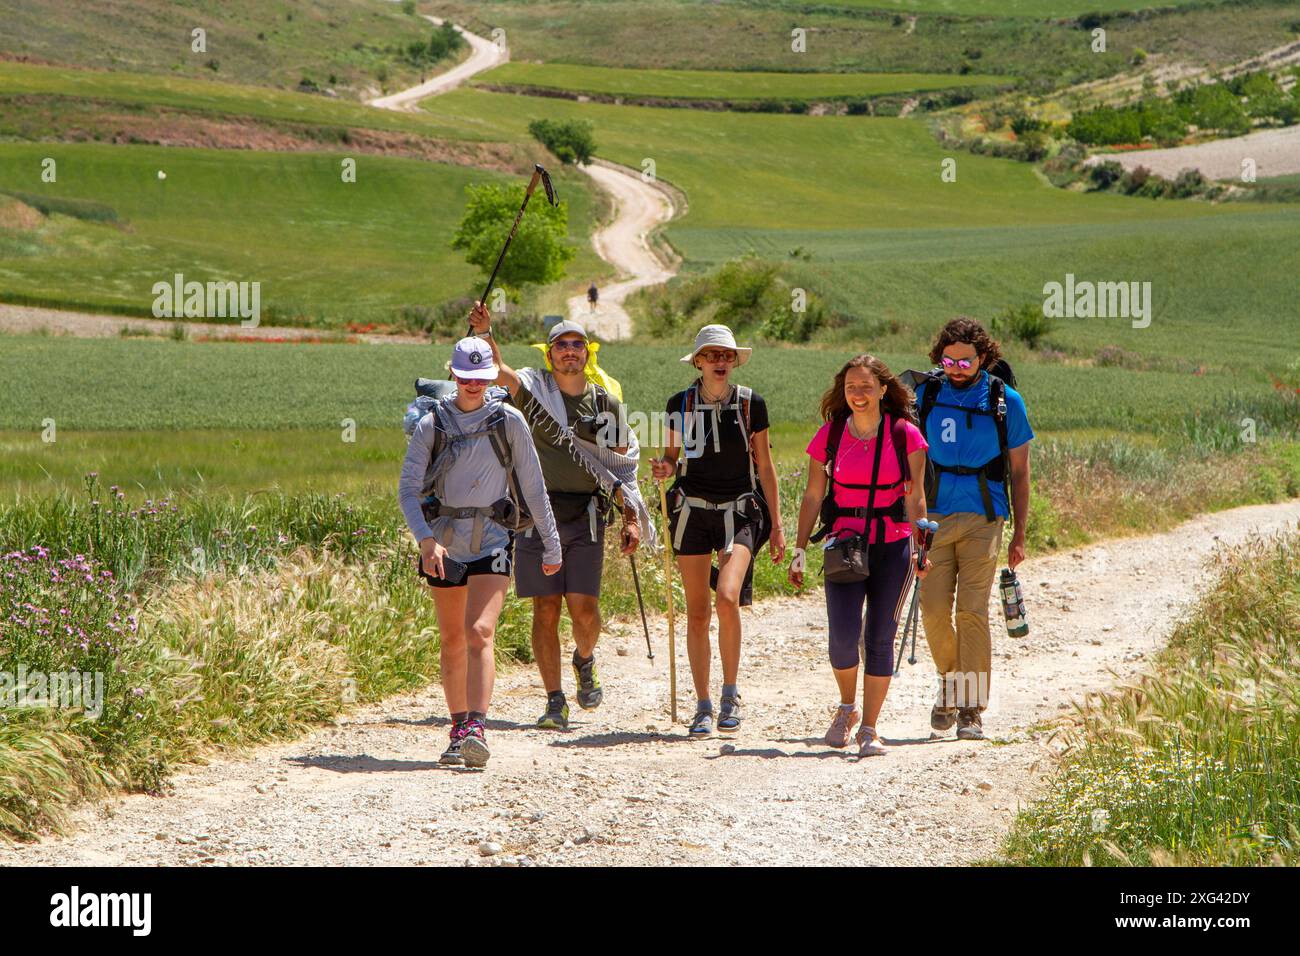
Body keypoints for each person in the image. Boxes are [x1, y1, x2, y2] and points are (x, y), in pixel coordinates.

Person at [468, 304, 649, 731]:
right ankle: (554, 700)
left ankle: (584, 659)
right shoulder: (533, 394)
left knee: (584, 611)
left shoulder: (605, 403)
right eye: (561, 346)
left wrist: (631, 518)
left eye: (577, 345)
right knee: (545, 608)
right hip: (536, 515)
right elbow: (497, 370)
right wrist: (485, 330)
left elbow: (620, 469)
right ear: (550, 355)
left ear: (587, 354)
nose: (570, 351)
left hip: (585, 515)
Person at [398, 335, 561, 769]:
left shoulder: (509, 421)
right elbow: (408, 491)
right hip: (443, 542)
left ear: (492, 376)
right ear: (453, 374)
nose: (473, 384)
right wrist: (425, 539)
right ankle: (457, 730)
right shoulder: (431, 425)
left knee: (479, 632)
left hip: (493, 537)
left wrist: (552, 543)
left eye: (482, 377)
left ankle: (476, 727)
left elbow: (533, 485)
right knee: (452, 639)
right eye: (466, 376)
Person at [789, 355, 931, 757]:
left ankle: (870, 728)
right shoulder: (830, 435)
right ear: (843, 391)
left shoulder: (905, 435)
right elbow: (814, 495)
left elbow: (916, 495)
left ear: (884, 389)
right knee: (843, 639)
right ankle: (847, 707)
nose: (859, 394)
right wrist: (800, 548)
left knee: (881, 638)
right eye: (852, 387)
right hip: (844, 545)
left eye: (867, 387)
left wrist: (922, 547)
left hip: (893, 546)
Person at [650, 325, 785, 738]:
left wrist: (777, 525)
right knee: (696, 612)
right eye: (712, 356)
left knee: (727, 598)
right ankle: (703, 706)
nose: (720, 362)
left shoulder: (750, 404)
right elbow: (672, 460)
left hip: (740, 511)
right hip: (691, 511)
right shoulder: (679, 404)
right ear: (699, 362)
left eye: (726, 355)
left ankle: (730, 695)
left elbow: (764, 465)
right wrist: (664, 468)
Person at [914, 318, 1033, 740]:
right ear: (939, 358)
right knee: (931, 610)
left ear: (983, 358)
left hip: (985, 514)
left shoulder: (1005, 400)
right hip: (932, 516)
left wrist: (1019, 532)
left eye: (966, 359)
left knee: (971, 611)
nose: (957, 367)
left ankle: (969, 709)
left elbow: (1019, 472)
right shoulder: (925, 395)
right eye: (949, 359)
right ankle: (950, 682)